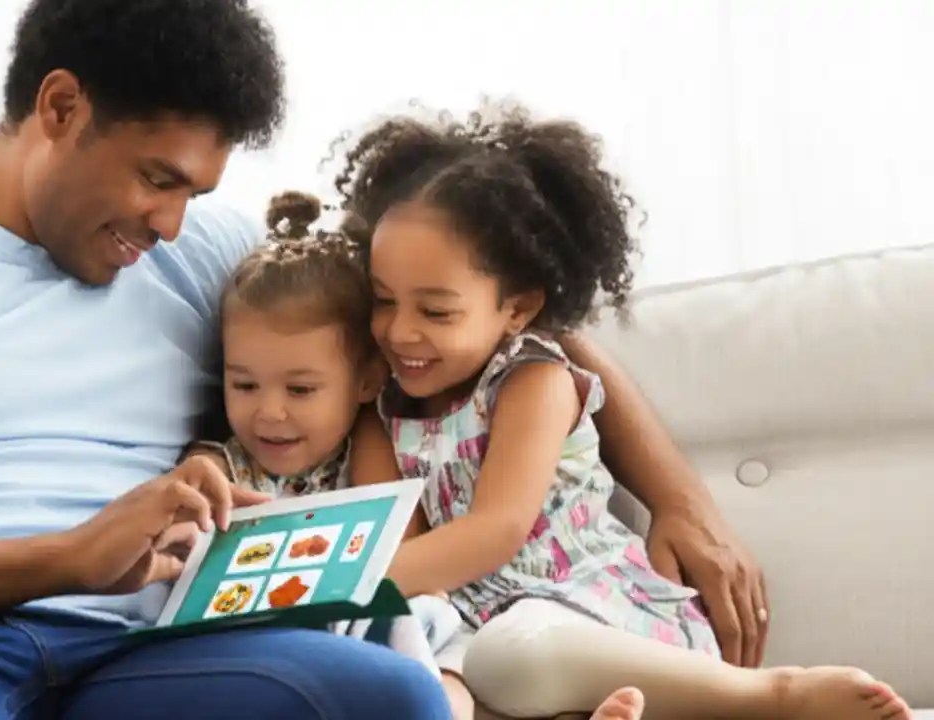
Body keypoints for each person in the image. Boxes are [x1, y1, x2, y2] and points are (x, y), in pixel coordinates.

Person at [0, 1, 761, 718]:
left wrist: (672, 495)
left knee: (399, 700)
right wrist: (62, 556)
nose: (175, 221)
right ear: (58, 109)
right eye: (157, 178)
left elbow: (497, 306)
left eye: (196, 189)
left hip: (145, 657)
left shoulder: (204, 259)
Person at [334, 97, 913, 720]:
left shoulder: (532, 379)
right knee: (433, 681)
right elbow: (394, 535)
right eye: (383, 300)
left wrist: (335, 588)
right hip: (473, 625)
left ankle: (775, 696)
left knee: (510, 655)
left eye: (436, 311)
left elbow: (496, 531)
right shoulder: (381, 408)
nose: (398, 331)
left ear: (518, 308)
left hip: (584, 615)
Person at [205, 190, 648, 720]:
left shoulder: (382, 427)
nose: (269, 413)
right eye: (244, 385)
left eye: (299, 391)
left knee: (451, 662)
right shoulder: (226, 463)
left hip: (476, 612)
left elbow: (412, 536)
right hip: (293, 633)